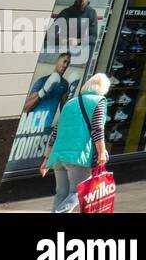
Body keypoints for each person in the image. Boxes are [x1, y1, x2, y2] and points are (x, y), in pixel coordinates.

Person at [39, 72, 110, 213]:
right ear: (103, 88)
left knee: (61, 194)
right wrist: (102, 152)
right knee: (78, 192)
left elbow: (56, 131)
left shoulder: (70, 102)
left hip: (58, 157)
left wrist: (47, 159)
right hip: (78, 156)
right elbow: (97, 128)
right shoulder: (99, 101)